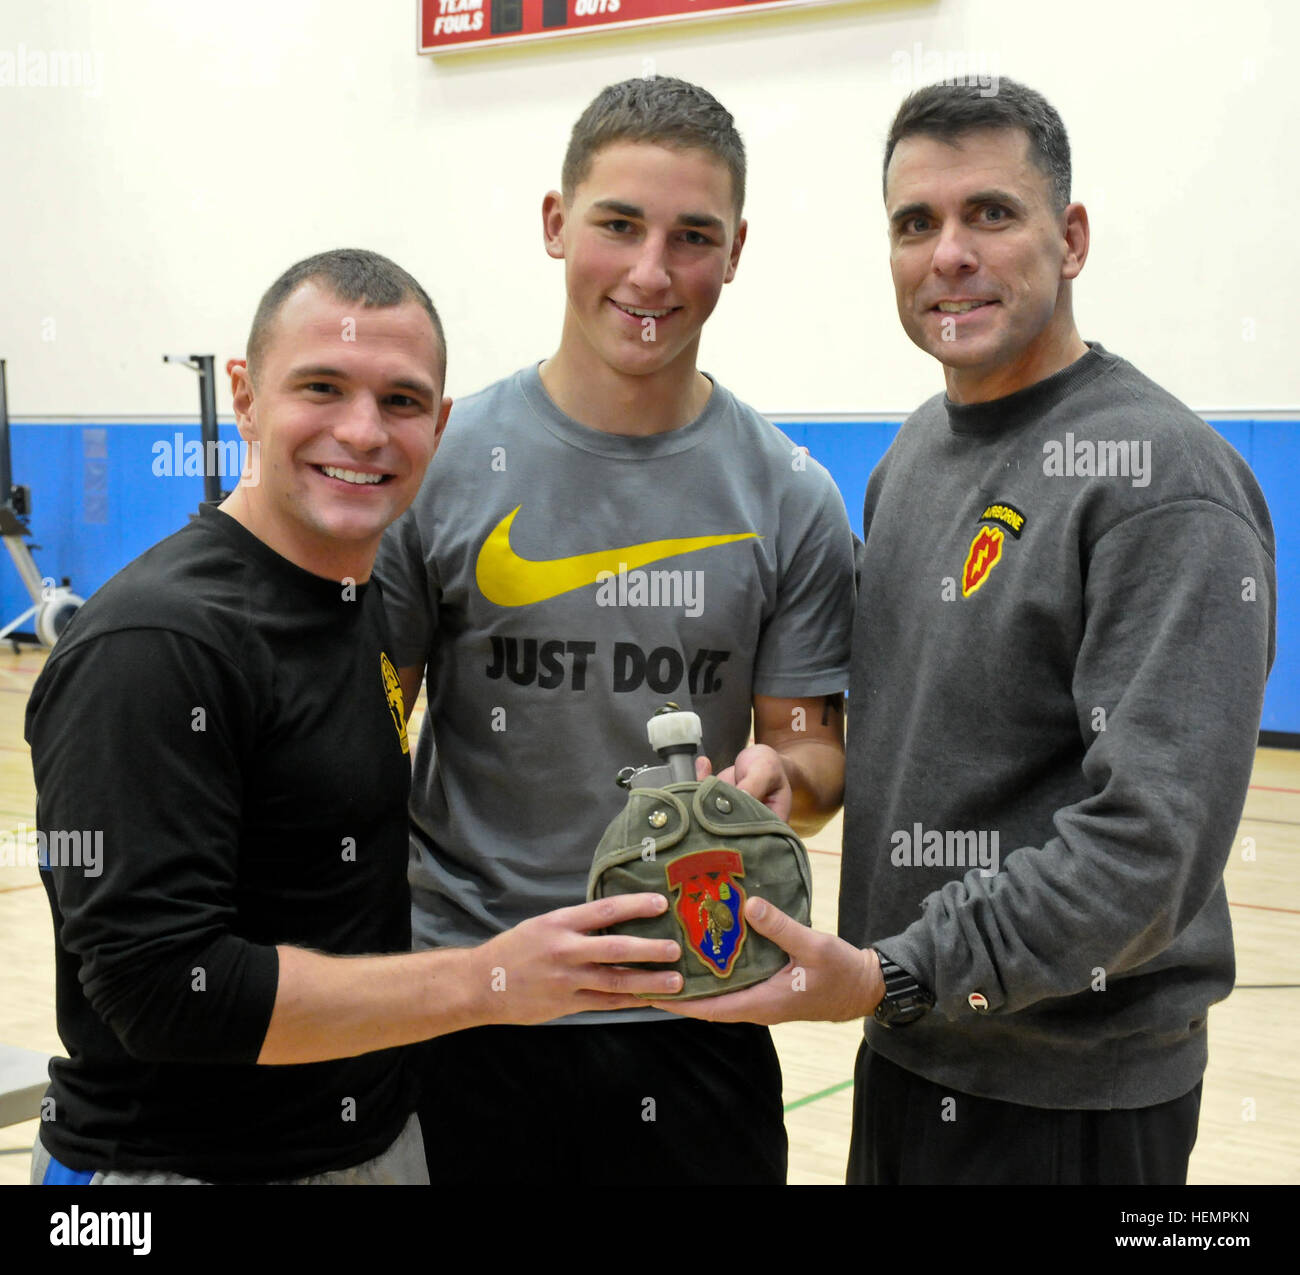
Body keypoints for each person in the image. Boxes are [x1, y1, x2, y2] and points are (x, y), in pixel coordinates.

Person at [656, 78, 1276, 1187]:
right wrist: (785, 785)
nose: (948, 253)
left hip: (1070, 1101)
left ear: (1070, 237)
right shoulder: (910, 462)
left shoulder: (1159, 481)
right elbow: (906, 737)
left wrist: (894, 972)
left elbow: (1148, 848)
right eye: (914, 223)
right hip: (914, 1050)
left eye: (990, 212)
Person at [27, 248, 683, 1186]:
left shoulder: (359, 602)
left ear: (442, 425)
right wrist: (486, 978)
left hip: (370, 1145)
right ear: (246, 396)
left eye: (403, 401)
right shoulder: (154, 640)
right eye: (322, 387)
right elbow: (162, 989)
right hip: (172, 1171)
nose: (363, 431)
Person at [374, 77, 856, 1185]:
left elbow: (819, 751)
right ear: (555, 225)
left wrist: (787, 770)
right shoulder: (442, 465)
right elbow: (366, 728)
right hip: (473, 1002)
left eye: (693, 237)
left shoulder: (790, 496)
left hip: (698, 1006)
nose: (651, 273)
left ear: (735, 253)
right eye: (618, 226)